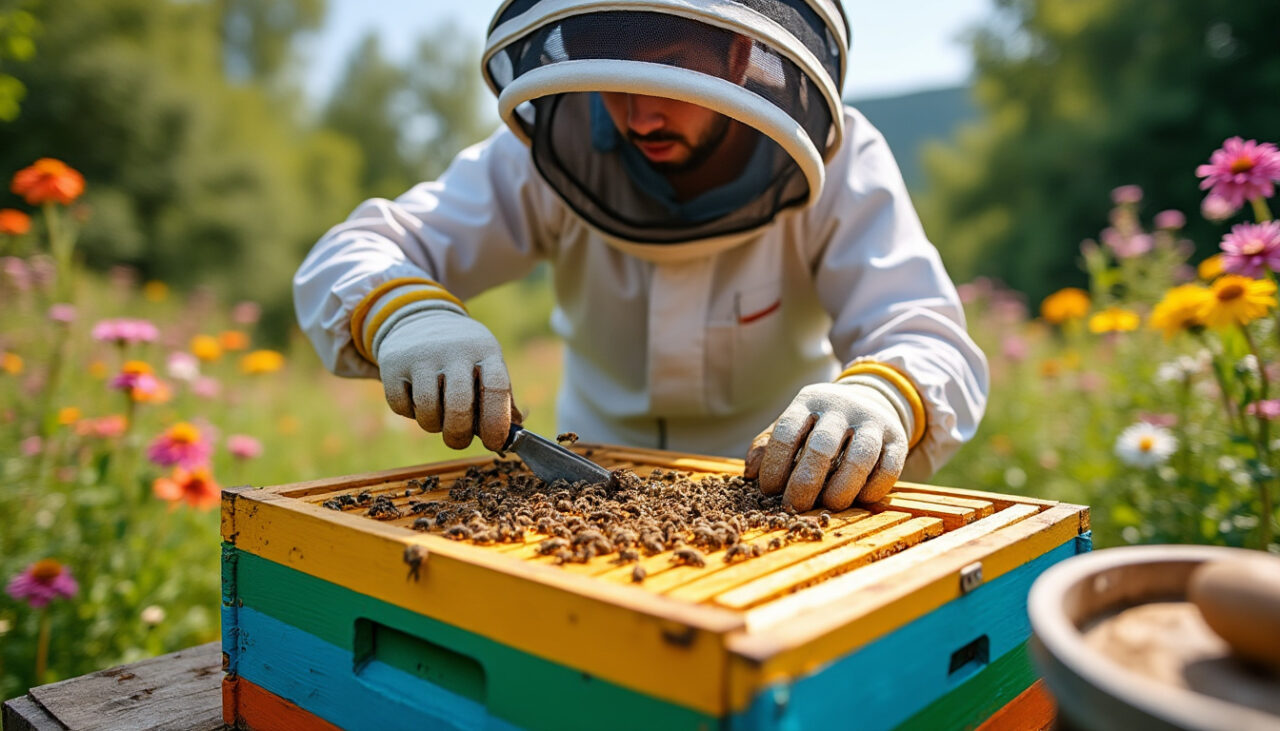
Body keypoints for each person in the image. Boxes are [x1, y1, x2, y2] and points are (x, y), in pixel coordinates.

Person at [294, 2, 989, 512]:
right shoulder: (541, 157)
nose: (639, 115)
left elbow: (923, 329)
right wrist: (406, 313)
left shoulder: (843, 161)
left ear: (740, 56)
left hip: (779, 494)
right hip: (576, 489)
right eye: (612, 72)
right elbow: (354, 252)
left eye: (670, 72)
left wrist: (881, 394)